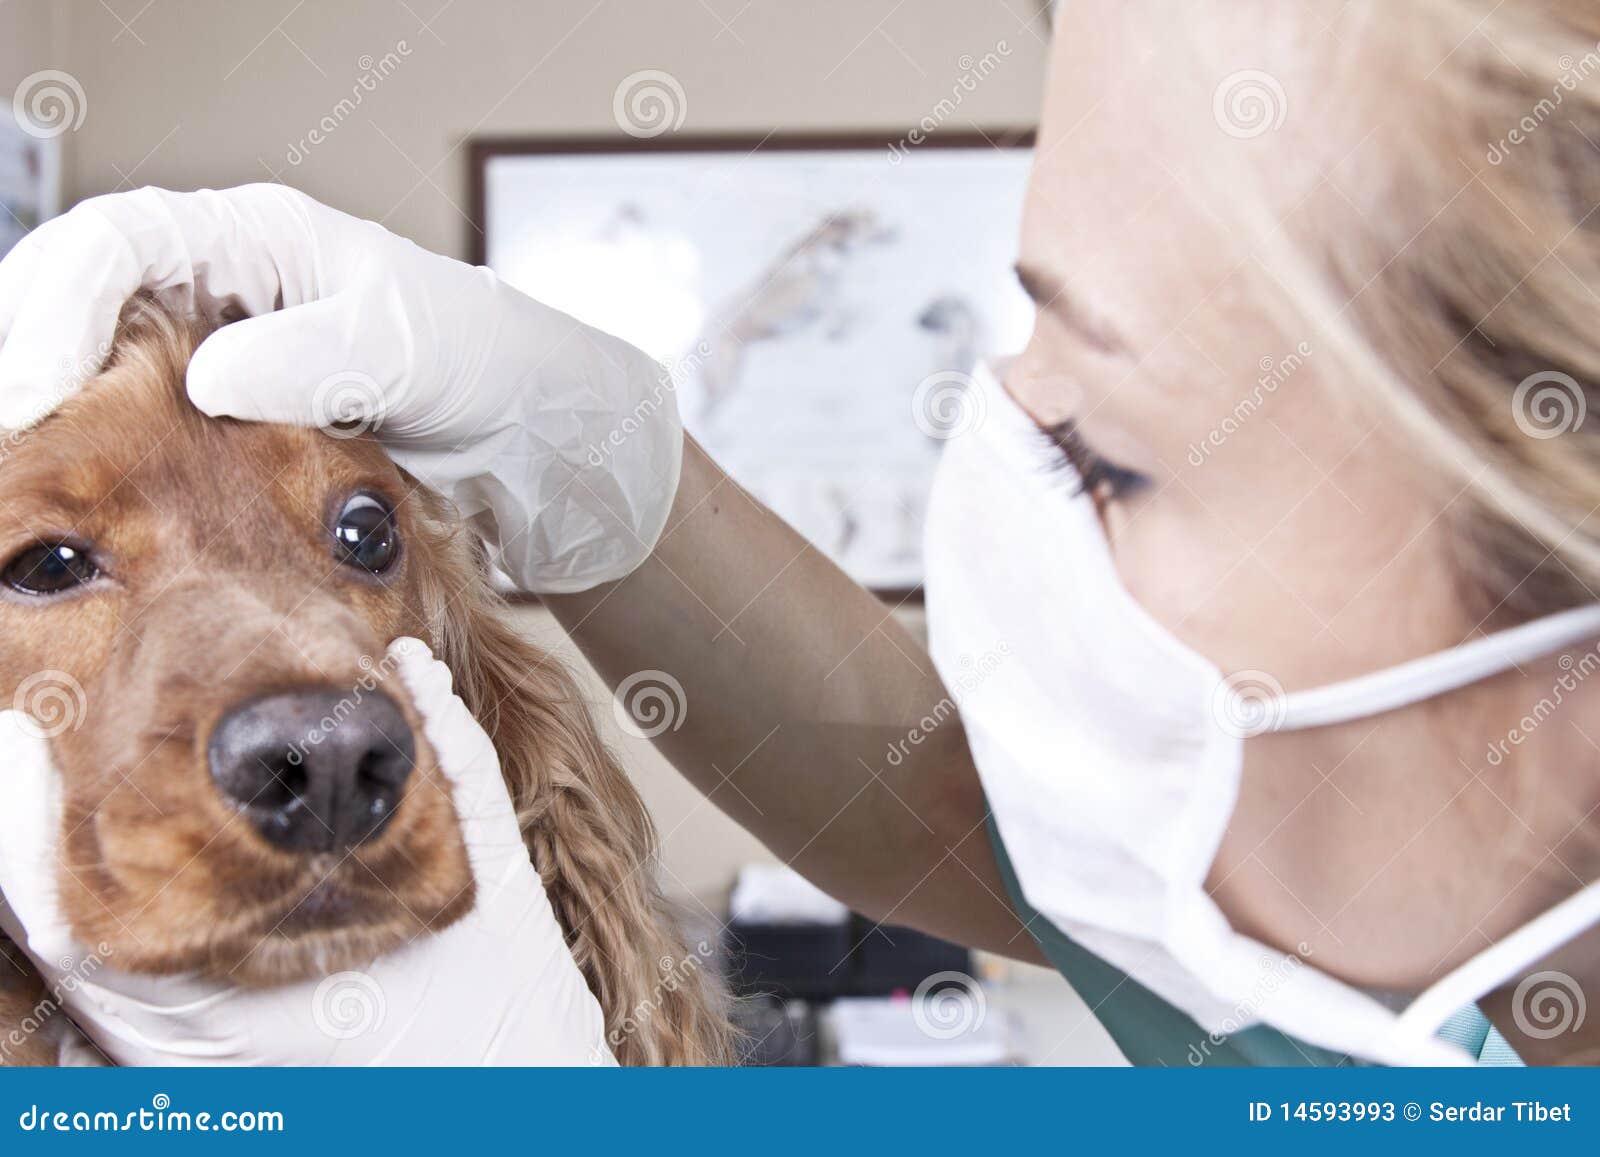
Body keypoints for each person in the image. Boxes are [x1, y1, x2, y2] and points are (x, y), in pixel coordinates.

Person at [2, 0, 1599, 1066]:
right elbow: (934, 810)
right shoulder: (1403, 980)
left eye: (1110, 459)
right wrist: (611, 456)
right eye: (50, 561)